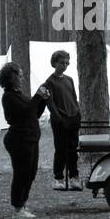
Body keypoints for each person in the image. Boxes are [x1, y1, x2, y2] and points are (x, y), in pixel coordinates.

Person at [0, 62, 49, 219]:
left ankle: (22, 204)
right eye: (19, 75)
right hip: (19, 140)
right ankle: (18, 208)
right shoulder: (9, 97)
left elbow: (34, 113)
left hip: (30, 139)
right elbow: (26, 111)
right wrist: (37, 96)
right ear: (12, 77)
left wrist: (43, 100)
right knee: (21, 173)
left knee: (30, 173)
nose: (22, 77)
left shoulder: (19, 94)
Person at [43, 50, 82, 190]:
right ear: (54, 63)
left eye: (67, 63)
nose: (64, 66)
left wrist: (77, 113)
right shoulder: (49, 82)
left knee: (73, 150)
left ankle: (74, 177)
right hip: (60, 121)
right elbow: (50, 103)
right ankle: (58, 178)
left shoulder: (69, 79)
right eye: (62, 63)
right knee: (61, 150)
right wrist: (59, 118)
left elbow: (74, 98)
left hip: (73, 118)